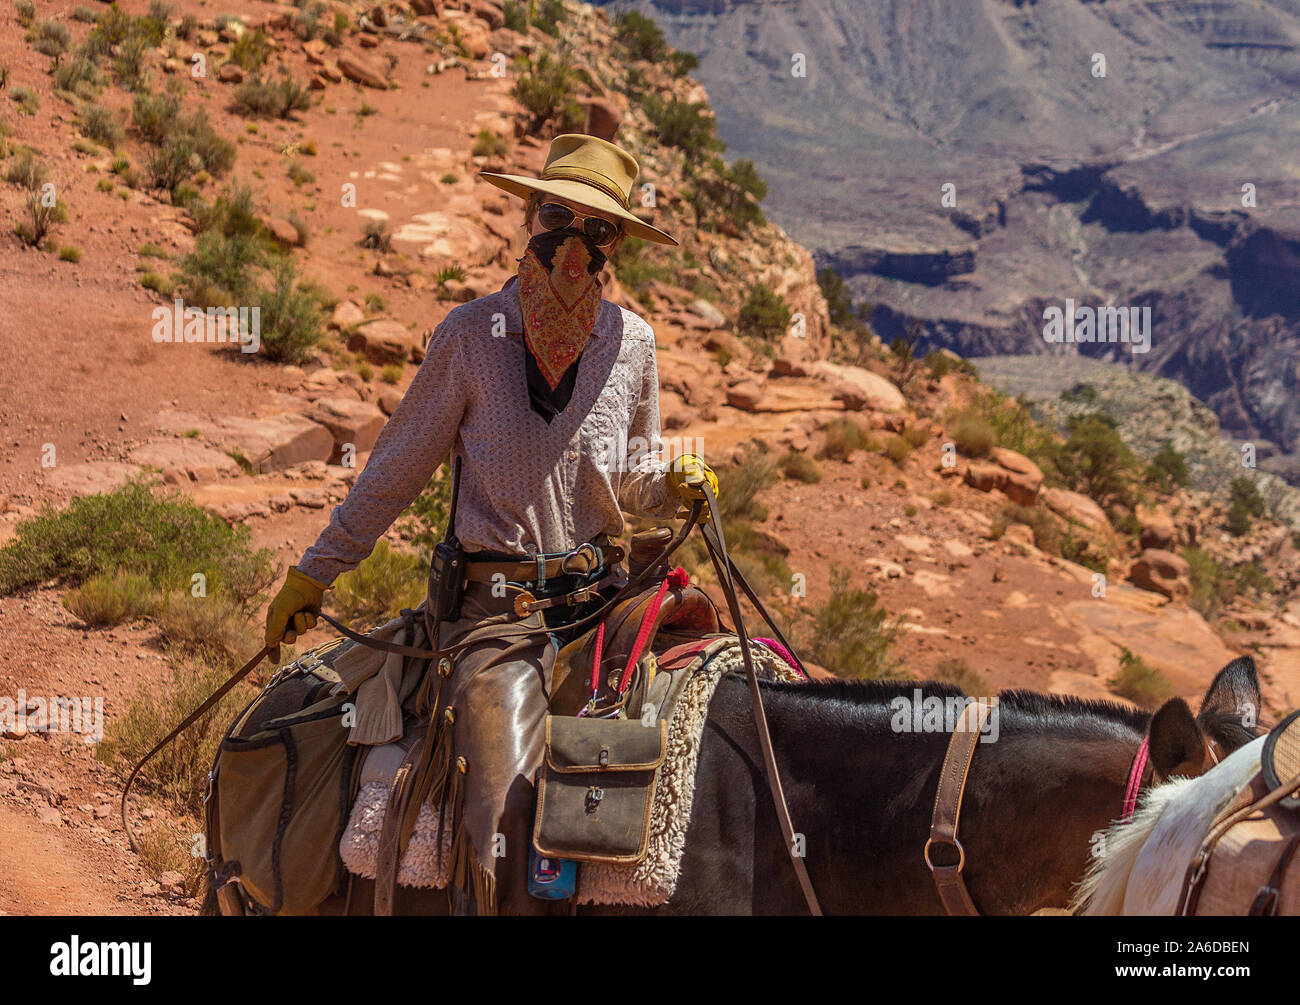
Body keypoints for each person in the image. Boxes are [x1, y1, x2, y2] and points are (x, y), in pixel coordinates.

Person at [263, 133, 720, 914]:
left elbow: (631, 476)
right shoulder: (471, 336)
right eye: (556, 216)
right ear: (528, 219)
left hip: (606, 601)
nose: (573, 244)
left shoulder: (633, 342)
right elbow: (394, 471)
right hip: (495, 621)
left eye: (596, 229)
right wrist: (317, 569)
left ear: (615, 245)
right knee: (511, 816)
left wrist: (676, 479)